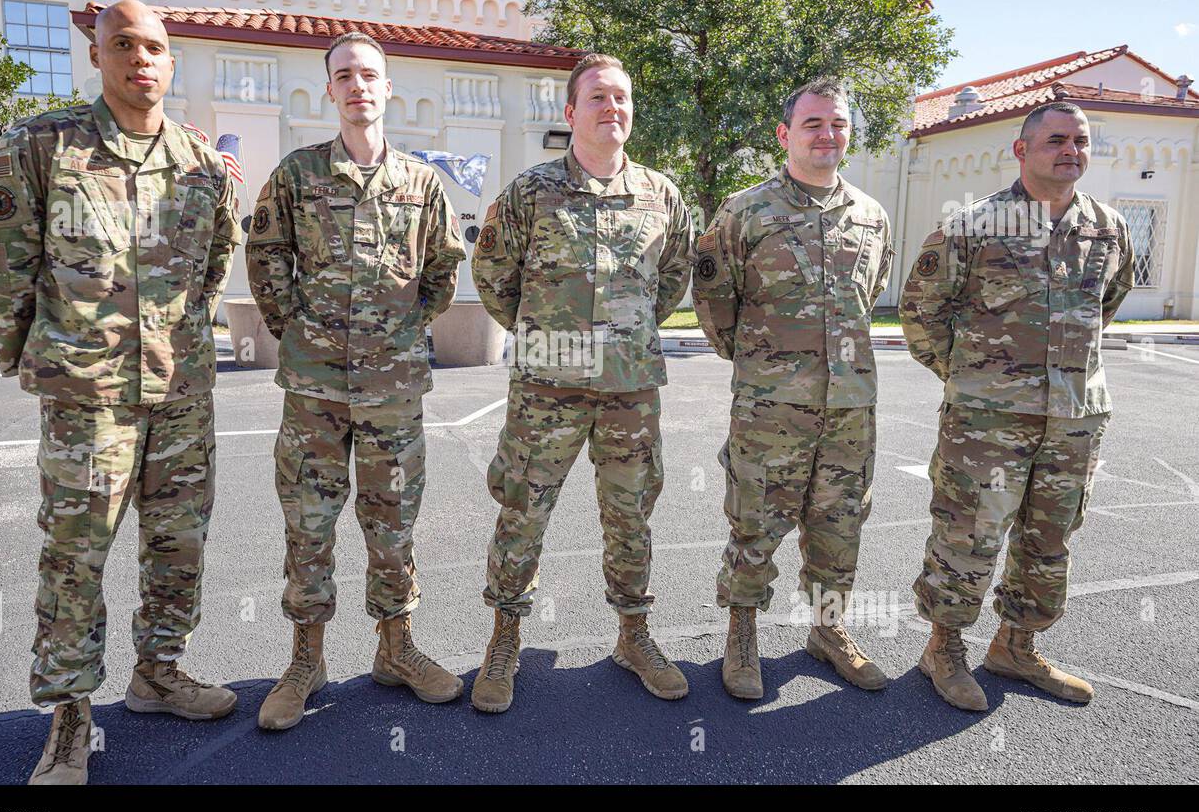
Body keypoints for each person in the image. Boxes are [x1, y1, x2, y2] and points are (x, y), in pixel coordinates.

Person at [0, 0, 243, 784]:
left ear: (171, 59)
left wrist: (185, 338)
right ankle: (69, 713)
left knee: (178, 545)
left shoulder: (197, 159)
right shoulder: (42, 145)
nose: (141, 59)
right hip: (87, 398)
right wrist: (37, 354)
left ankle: (158, 673)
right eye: (124, 44)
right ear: (98, 55)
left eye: (154, 46)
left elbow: (217, 260)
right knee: (76, 559)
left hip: (182, 392)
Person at [246, 32, 467, 731]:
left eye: (369, 75)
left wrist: (397, 334)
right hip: (313, 391)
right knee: (308, 527)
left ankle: (396, 648)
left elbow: (441, 270)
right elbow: (266, 255)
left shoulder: (422, 182)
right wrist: (300, 330)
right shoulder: (296, 174)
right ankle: (305, 660)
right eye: (345, 76)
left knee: (393, 525)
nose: (358, 86)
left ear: (388, 87)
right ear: (330, 90)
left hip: (392, 392)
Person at [469, 53, 693, 713]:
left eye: (621, 97)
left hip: (630, 389)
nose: (611, 107)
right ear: (571, 113)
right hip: (546, 391)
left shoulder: (662, 195)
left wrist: (624, 339)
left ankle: (634, 635)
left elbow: (672, 280)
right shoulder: (530, 192)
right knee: (523, 514)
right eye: (597, 97)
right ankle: (504, 638)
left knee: (631, 517)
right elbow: (493, 278)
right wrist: (543, 335)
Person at [900, 100, 1134, 710]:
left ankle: (1015, 645)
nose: (1070, 151)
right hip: (987, 424)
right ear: (1021, 150)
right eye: (1056, 139)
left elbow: (1107, 304)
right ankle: (942, 648)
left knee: (1050, 537)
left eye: (1080, 141)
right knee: (968, 533)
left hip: (1076, 419)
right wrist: (974, 378)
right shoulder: (975, 225)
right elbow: (922, 310)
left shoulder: (1108, 227)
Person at [692, 77, 894, 700]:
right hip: (770, 408)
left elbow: (872, 292)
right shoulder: (745, 211)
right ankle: (742, 634)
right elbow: (713, 298)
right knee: (754, 524)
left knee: (840, 527)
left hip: (850, 409)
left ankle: (828, 632)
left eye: (837, 124)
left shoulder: (870, 215)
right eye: (813, 124)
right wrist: (760, 365)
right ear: (785, 135)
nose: (827, 135)